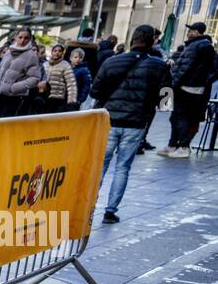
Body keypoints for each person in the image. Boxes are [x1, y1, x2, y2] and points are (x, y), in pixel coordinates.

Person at [89, 24, 169, 223]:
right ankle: (110, 211)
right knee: (123, 167)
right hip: (136, 122)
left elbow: (95, 92)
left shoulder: (112, 61)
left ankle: (88, 207)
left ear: (132, 39)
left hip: (110, 120)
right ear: (152, 41)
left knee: (101, 165)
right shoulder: (160, 66)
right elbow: (166, 103)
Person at [160, 22, 216, 158]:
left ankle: (183, 146)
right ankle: (173, 145)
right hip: (187, 86)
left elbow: (186, 67)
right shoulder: (197, 45)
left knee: (181, 117)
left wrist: (175, 83)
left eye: (190, 30)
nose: (188, 33)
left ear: (197, 32)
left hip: (187, 87)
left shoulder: (199, 46)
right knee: (176, 117)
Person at [0, 28, 41, 117]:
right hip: (1, 94)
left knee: (8, 124)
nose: (22, 40)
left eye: (26, 38)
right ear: (16, 37)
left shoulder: (31, 55)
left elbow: (35, 78)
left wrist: (14, 88)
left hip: (16, 96)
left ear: (30, 39)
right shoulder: (8, 52)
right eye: (20, 37)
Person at [45, 43, 77, 113]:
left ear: (62, 53)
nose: (57, 53)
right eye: (55, 51)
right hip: (44, 98)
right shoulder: (45, 64)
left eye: (59, 51)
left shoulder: (66, 65)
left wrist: (71, 101)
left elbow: (71, 83)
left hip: (57, 99)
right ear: (52, 52)